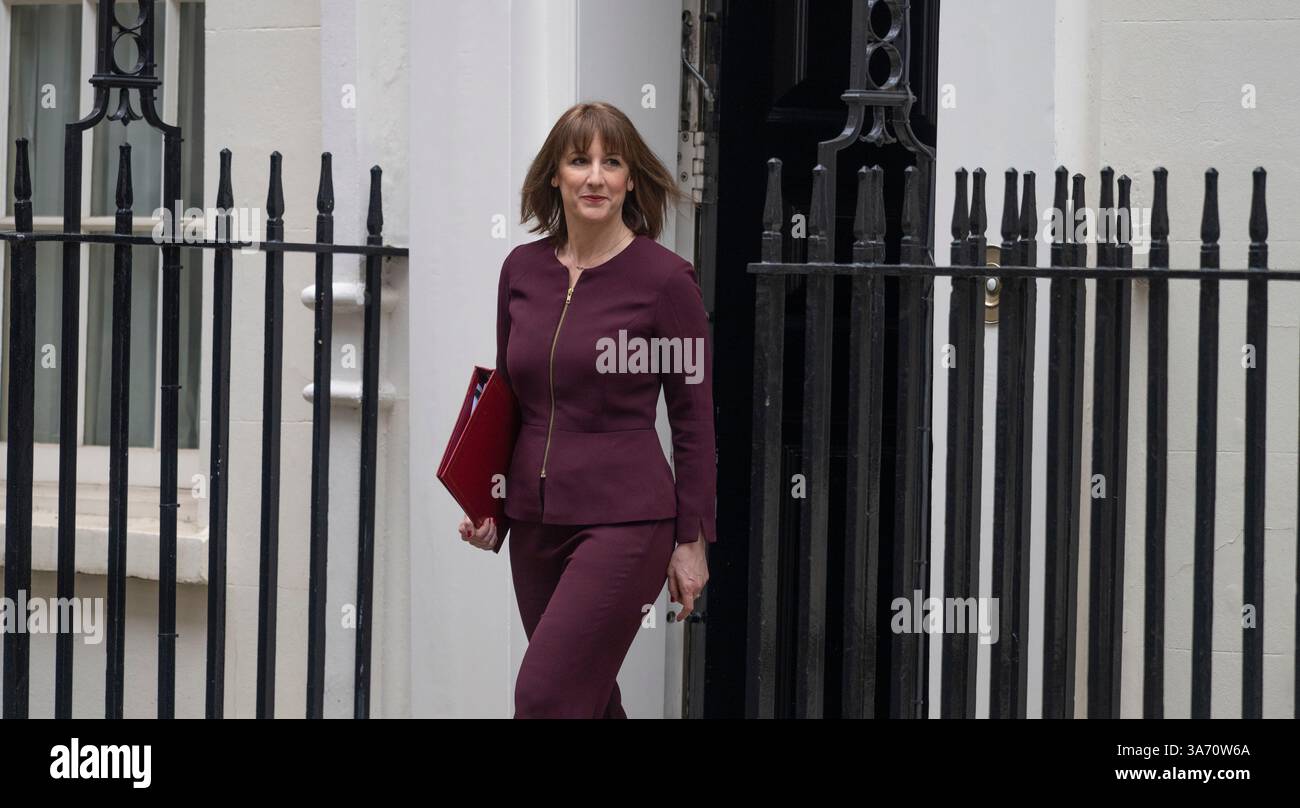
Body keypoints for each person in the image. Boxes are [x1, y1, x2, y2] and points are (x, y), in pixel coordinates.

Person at [456, 101, 717, 718]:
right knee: (588, 702)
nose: (595, 176)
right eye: (579, 161)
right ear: (556, 176)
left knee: (545, 697)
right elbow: (509, 400)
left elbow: (694, 421)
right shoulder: (521, 270)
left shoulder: (666, 281)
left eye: (612, 162)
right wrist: (489, 506)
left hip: (625, 523)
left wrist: (692, 539)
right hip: (534, 524)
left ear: (629, 178)